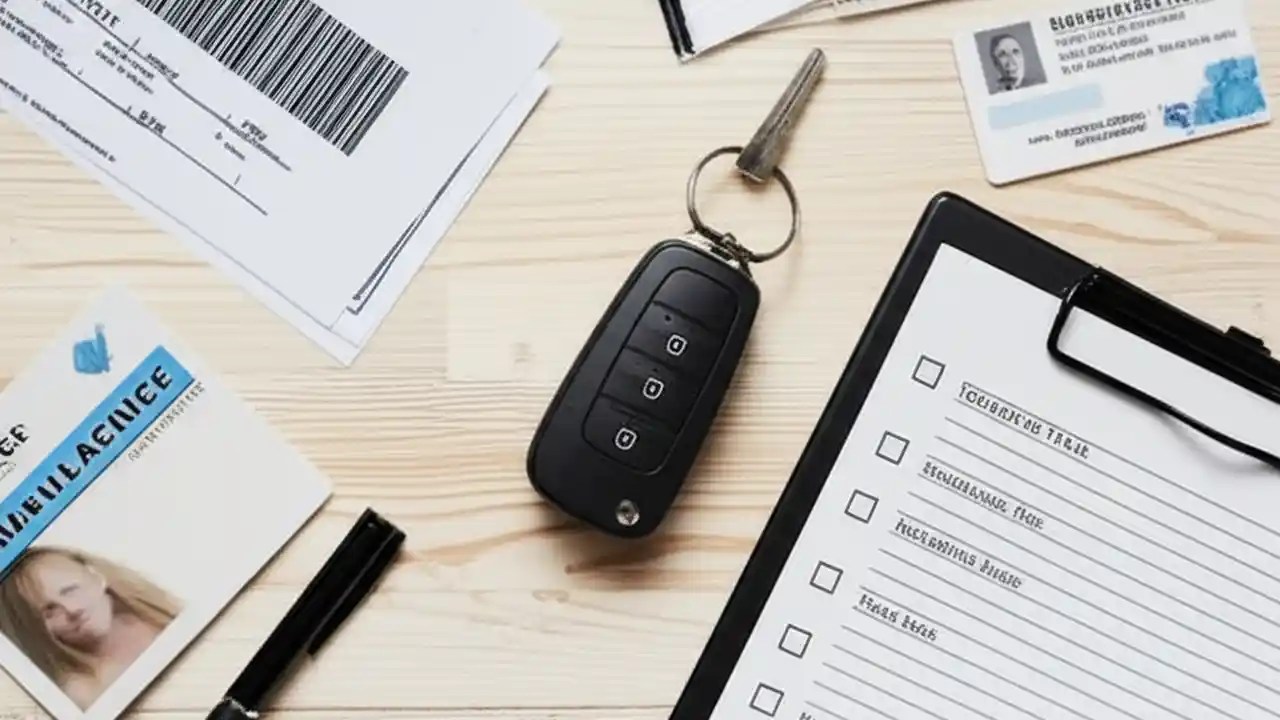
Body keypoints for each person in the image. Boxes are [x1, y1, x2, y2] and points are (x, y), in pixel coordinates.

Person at [0, 547, 179, 709]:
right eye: (50, 610)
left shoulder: (161, 614)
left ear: (97, 577)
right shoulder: (81, 693)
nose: (72, 610)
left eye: (70, 590)